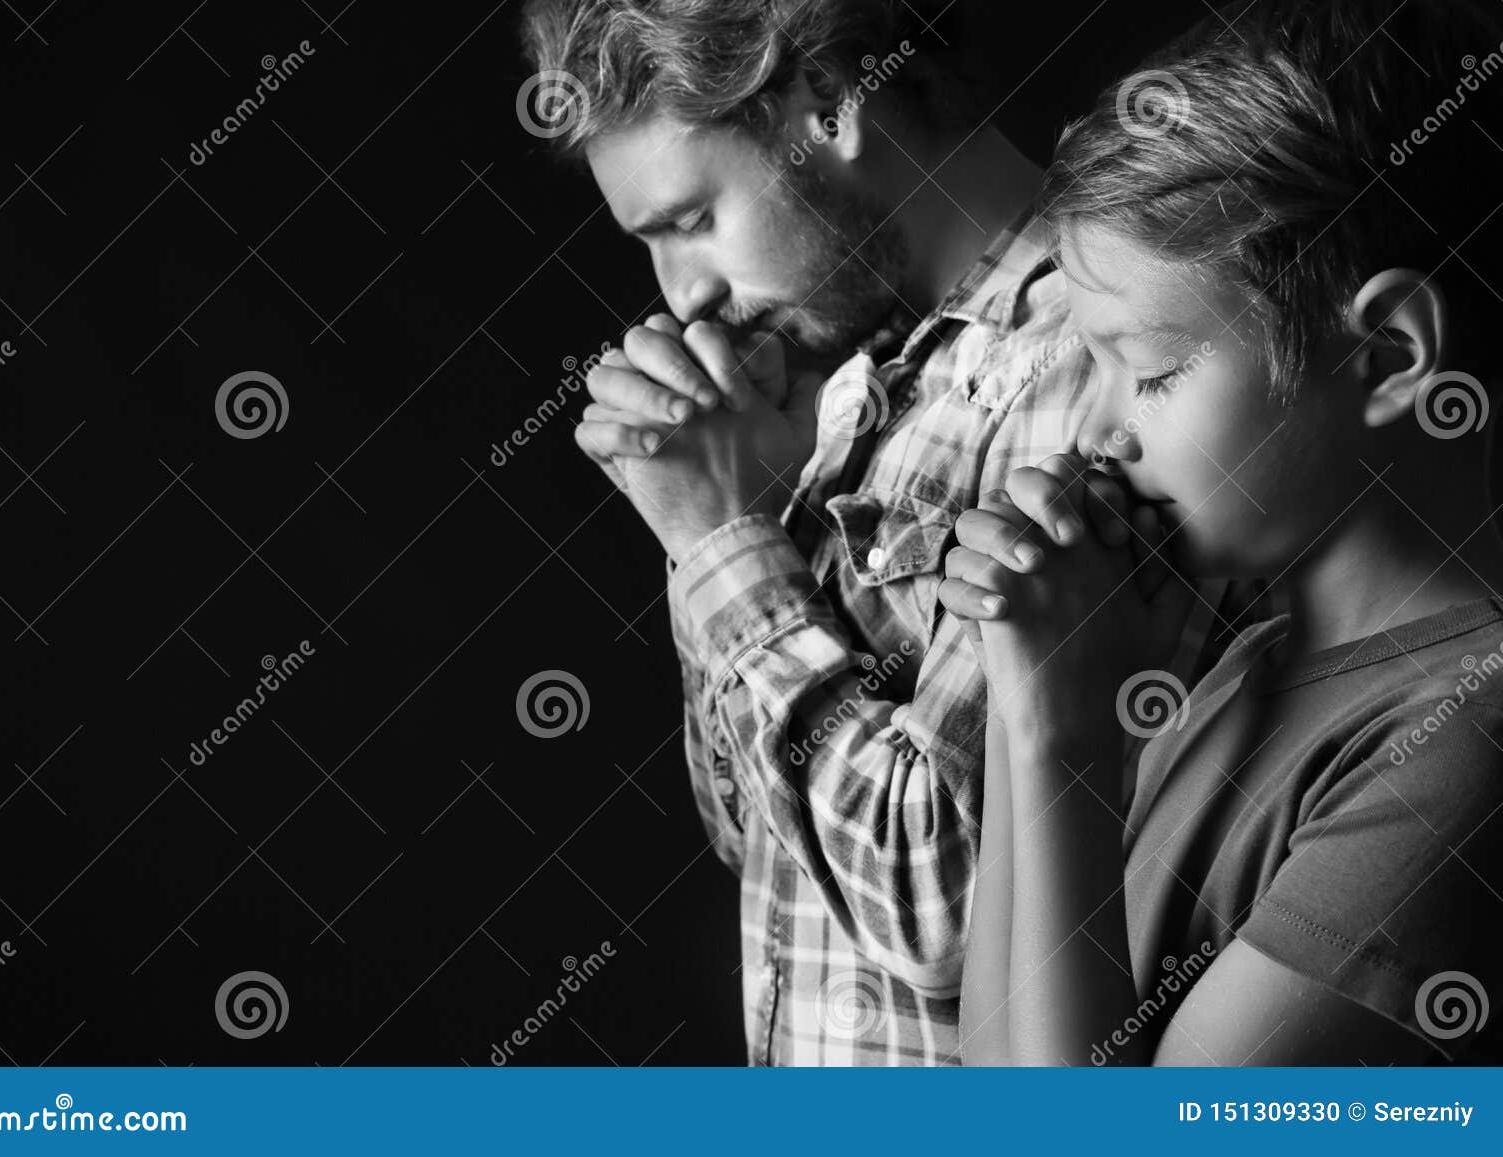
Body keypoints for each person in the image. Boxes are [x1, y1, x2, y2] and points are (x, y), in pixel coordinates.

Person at [520, 0, 1242, 1063]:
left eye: (687, 221)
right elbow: (756, 837)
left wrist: (720, 539)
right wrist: (742, 525)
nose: (683, 295)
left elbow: (941, 910)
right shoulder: (862, 380)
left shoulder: (1100, 362)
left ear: (827, 107)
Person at [942, 0, 1503, 1064]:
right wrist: (1035, 711)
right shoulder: (1242, 667)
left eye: (1150, 371)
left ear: (1386, 358)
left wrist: (1062, 733)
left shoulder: (1465, 745)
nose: (1099, 431)